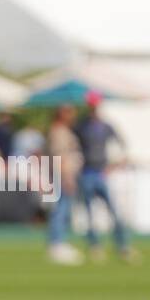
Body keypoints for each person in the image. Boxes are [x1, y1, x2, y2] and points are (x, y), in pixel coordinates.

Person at [75, 91, 135, 262]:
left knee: (114, 212)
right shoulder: (81, 126)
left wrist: (115, 165)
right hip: (86, 173)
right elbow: (74, 147)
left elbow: (122, 145)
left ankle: (122, 246)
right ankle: (95, 247)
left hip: (101, 174)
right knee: (89, 214)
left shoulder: (105, 126)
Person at [45, 104, 84, 265]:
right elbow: (59, 156)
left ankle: (59, 242)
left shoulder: (62, 130)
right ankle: (57, 244)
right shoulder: (59, 131)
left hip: (64, 174)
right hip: (62, 175)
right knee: (61, 209)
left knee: (63, 208)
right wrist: (66, 177)